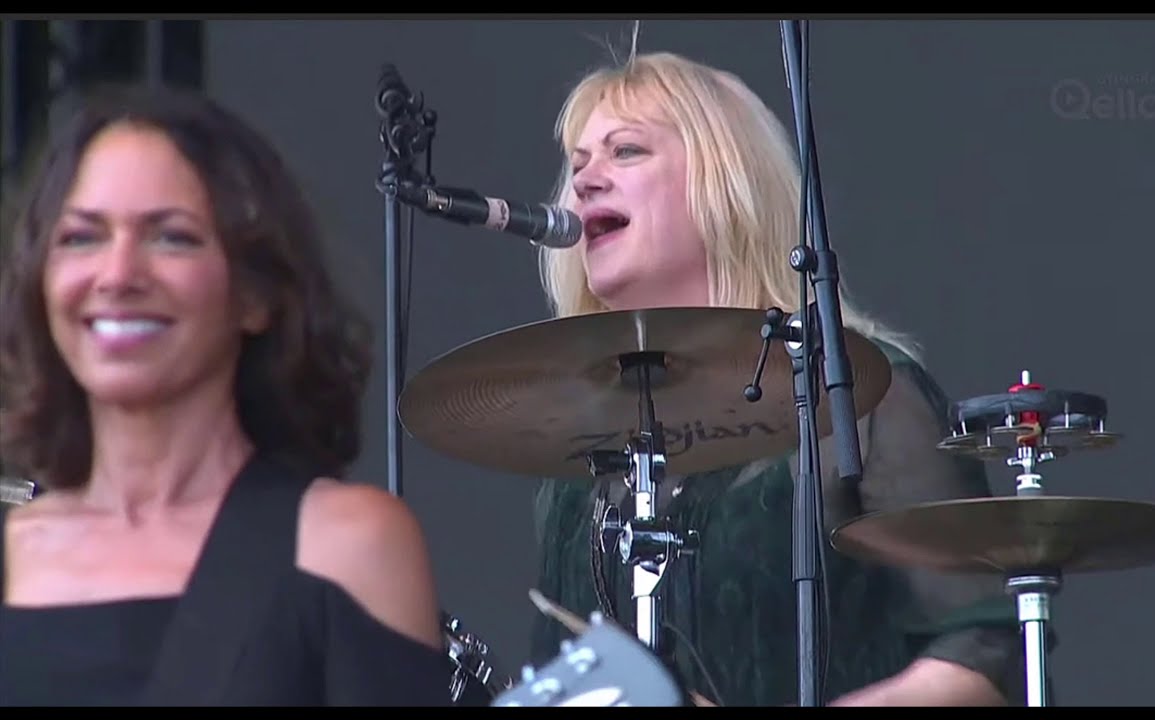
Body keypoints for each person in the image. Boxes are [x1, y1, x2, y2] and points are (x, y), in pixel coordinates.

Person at [527, 50, 1032, 706]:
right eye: (577, 165)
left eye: (626, 151)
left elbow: (982, 649)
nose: (585, 181)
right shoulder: (577, 450)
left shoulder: (860, 397)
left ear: (725, 182)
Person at [0, 83, 455, 706]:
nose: (118, 274)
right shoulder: (12, 559)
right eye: (81, 237)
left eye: (171, 237)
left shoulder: (348, 545)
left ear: (255, 294)